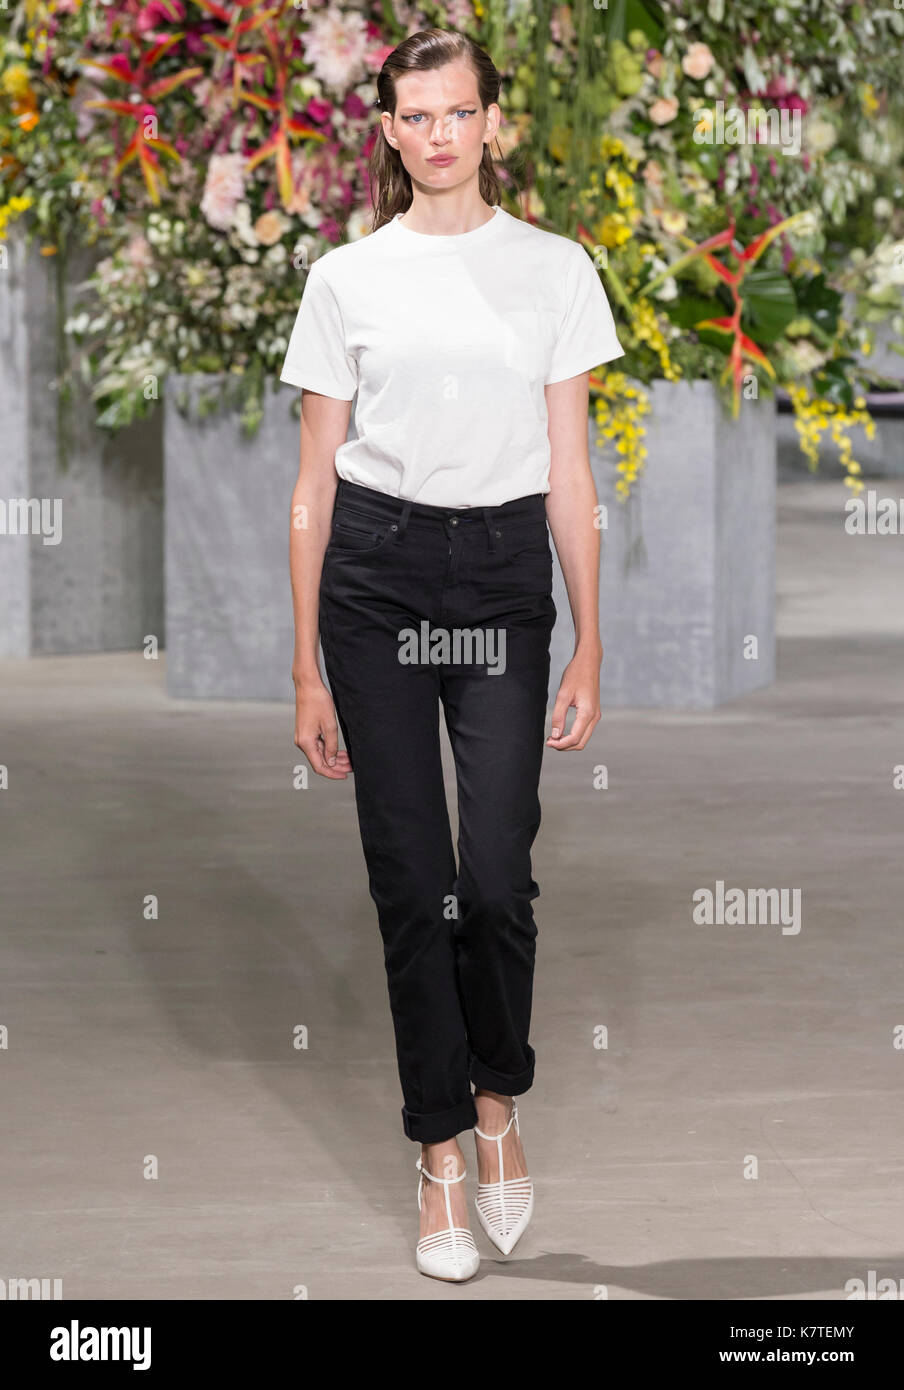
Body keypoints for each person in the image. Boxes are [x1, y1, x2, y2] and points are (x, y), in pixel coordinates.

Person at [280, 27, 623, 1282]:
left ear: (492, 124)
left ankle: (499, 1106)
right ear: (386, 129)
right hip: (372, 578)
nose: (435, 133)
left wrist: (591, 639)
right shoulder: (345, 279)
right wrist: (307, 666)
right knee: (410, 878)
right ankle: (437, 1152)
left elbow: (572, 471)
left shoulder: (552, 269)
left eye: (456, 112)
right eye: (412, 115)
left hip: (497, 581)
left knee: (495, 880)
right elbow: (313, 482)